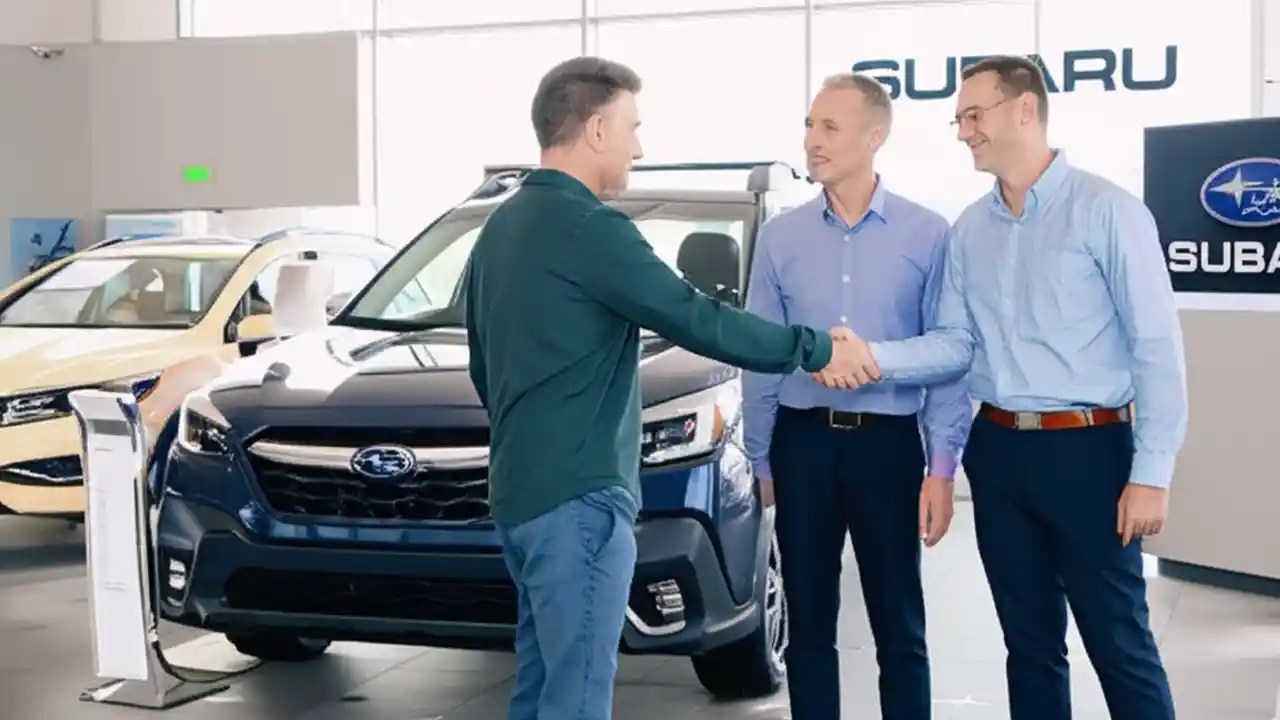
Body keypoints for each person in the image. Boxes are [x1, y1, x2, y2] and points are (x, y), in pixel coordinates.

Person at [463, 56, 870, 720]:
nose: (639, 146)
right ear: (596, 129)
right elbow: (694, 317)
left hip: (520, 498)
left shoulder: (499, 228)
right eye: (632, 126)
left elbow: (485, 366)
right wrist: (815, 347)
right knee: (578, 695)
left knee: (541, 685)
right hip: (578, 502)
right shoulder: (589, 229)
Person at [833, 55, 1186, 720]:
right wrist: (872, 357)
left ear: (1026, 109)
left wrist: (1153, 472)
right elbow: (956, 345)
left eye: (975, 114)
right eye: (959, 118)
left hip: (1091, 453)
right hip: (997, 454)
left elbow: (1158, 349)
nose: (963, 131)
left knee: (1119, 643)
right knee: (1027, 646)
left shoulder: (1109, 212)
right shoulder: (970, 228)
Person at [742, 72, 971, 720]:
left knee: (901, 627)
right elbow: (761, 353)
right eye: (809, 126)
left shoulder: (929, 234)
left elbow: (950, 356)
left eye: (829, 127)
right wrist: (762, 461)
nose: (812, 141)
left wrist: (942, 468)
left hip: (889, 450)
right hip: (802, 444)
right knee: (809, 625)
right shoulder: (782, 237)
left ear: (875, 137)